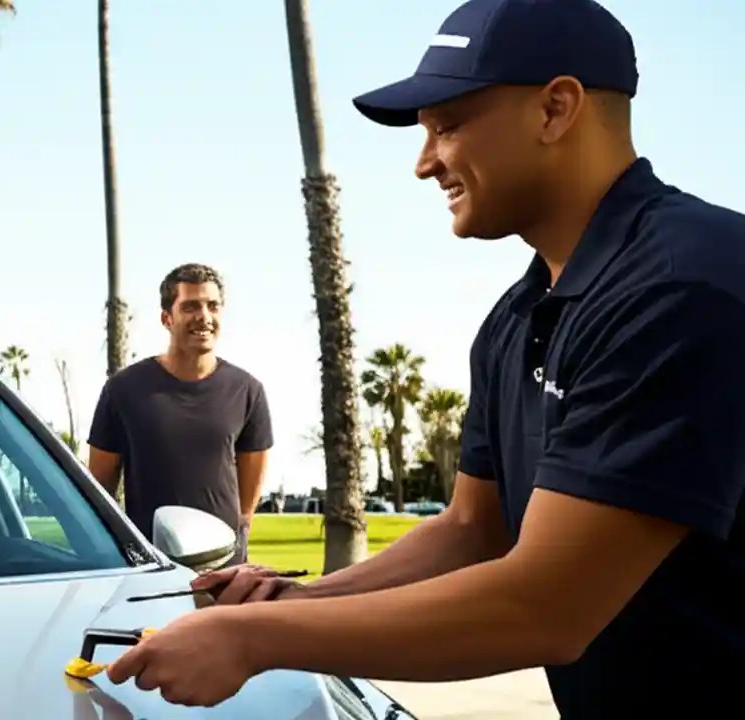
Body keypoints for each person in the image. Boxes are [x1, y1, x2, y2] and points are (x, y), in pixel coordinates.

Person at [104, 0, 745, 715]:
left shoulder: (685, 287)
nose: (423, 162)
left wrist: (258, 637)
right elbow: (473, 530)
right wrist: (303, 597)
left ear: (555, 109)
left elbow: (545, 608)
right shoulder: (517, 318)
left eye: (447, 125)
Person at [86, 262, 273, 566]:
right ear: (167, 319)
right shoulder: (123, 390)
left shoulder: (247, 390)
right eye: (190, 306)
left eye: (213, 306)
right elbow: (99, 491)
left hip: (226, 571)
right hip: (149, 569)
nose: (204, 316)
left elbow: (245, 509)